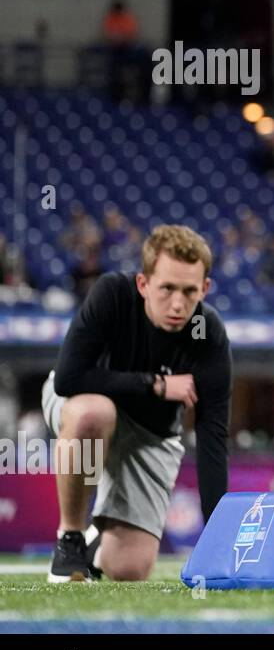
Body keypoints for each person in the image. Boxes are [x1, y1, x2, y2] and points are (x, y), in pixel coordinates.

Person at [42, 225, 231, 582]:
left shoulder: (209, 334)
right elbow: (69, 378)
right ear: (144, 284)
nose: (178, 304)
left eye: (190, 292)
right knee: (93, 413)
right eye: (167, 289)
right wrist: (155, 384)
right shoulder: (112, 293)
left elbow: (212, 438)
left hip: (152, 434)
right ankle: (70, 538)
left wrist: (218, 538)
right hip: (84, 405)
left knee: (129, 568)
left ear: (204, 289)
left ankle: (97, 543)